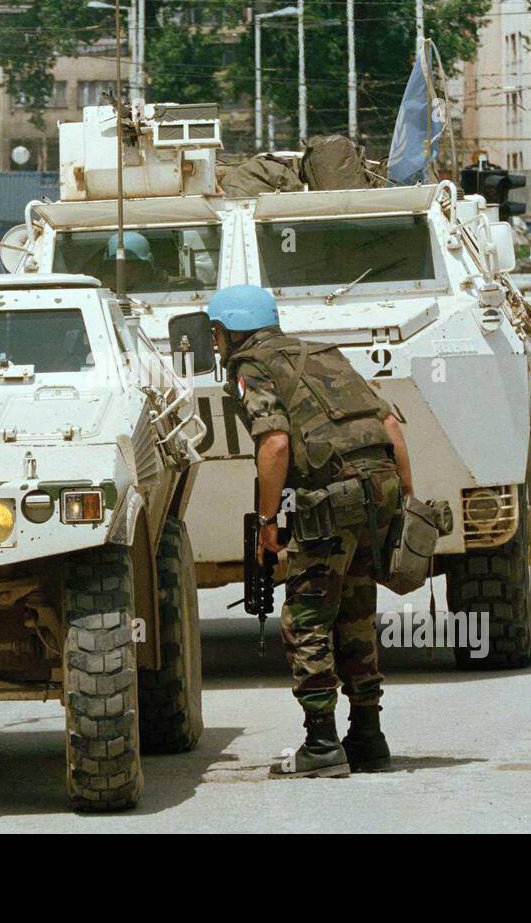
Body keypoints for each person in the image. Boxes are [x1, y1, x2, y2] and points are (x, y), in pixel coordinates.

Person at [208, 284, 414, 779]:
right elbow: (389, 423)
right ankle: (367, 736)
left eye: (215, 334)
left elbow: (275, 443)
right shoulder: (320, 352)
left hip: (332, 502)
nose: (215, 344)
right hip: (375, 494)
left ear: (230, 332)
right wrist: (403, 497)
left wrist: (266, 522)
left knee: (308, 616)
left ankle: (321, 743)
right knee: (357, 610)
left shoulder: (250, 367)